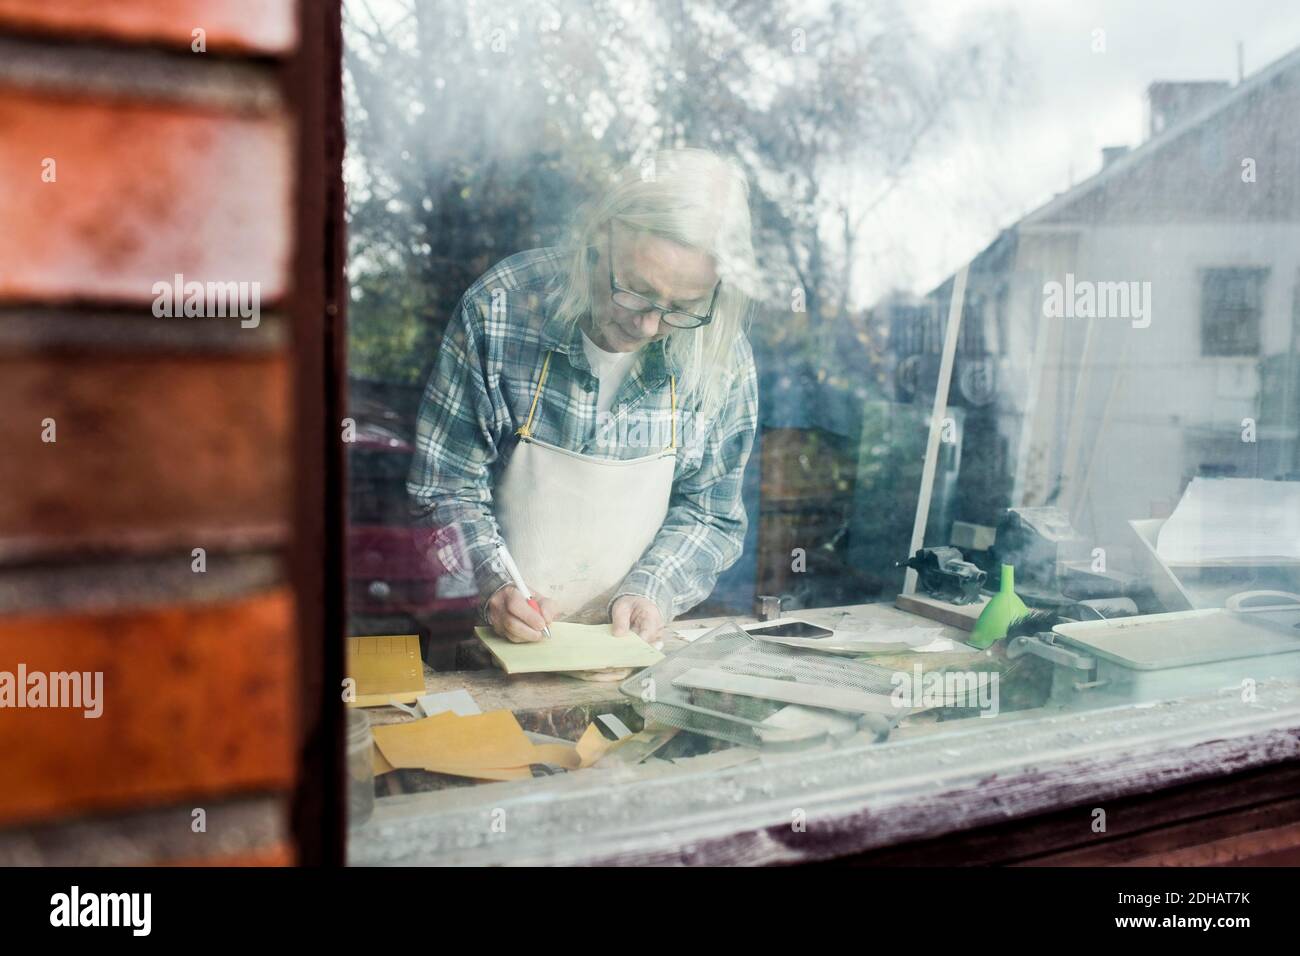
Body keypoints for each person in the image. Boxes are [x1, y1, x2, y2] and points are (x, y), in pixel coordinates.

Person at [408, 148, 760, 645]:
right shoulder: (502, 309)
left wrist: (653, 589)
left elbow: (711, 513)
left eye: (681, 308)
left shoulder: (721, 356)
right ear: (599, 237)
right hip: (492, 643)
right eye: (635, 290)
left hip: (626, 651)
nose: (648, 325)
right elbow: (443, 489)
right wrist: (492, 585)